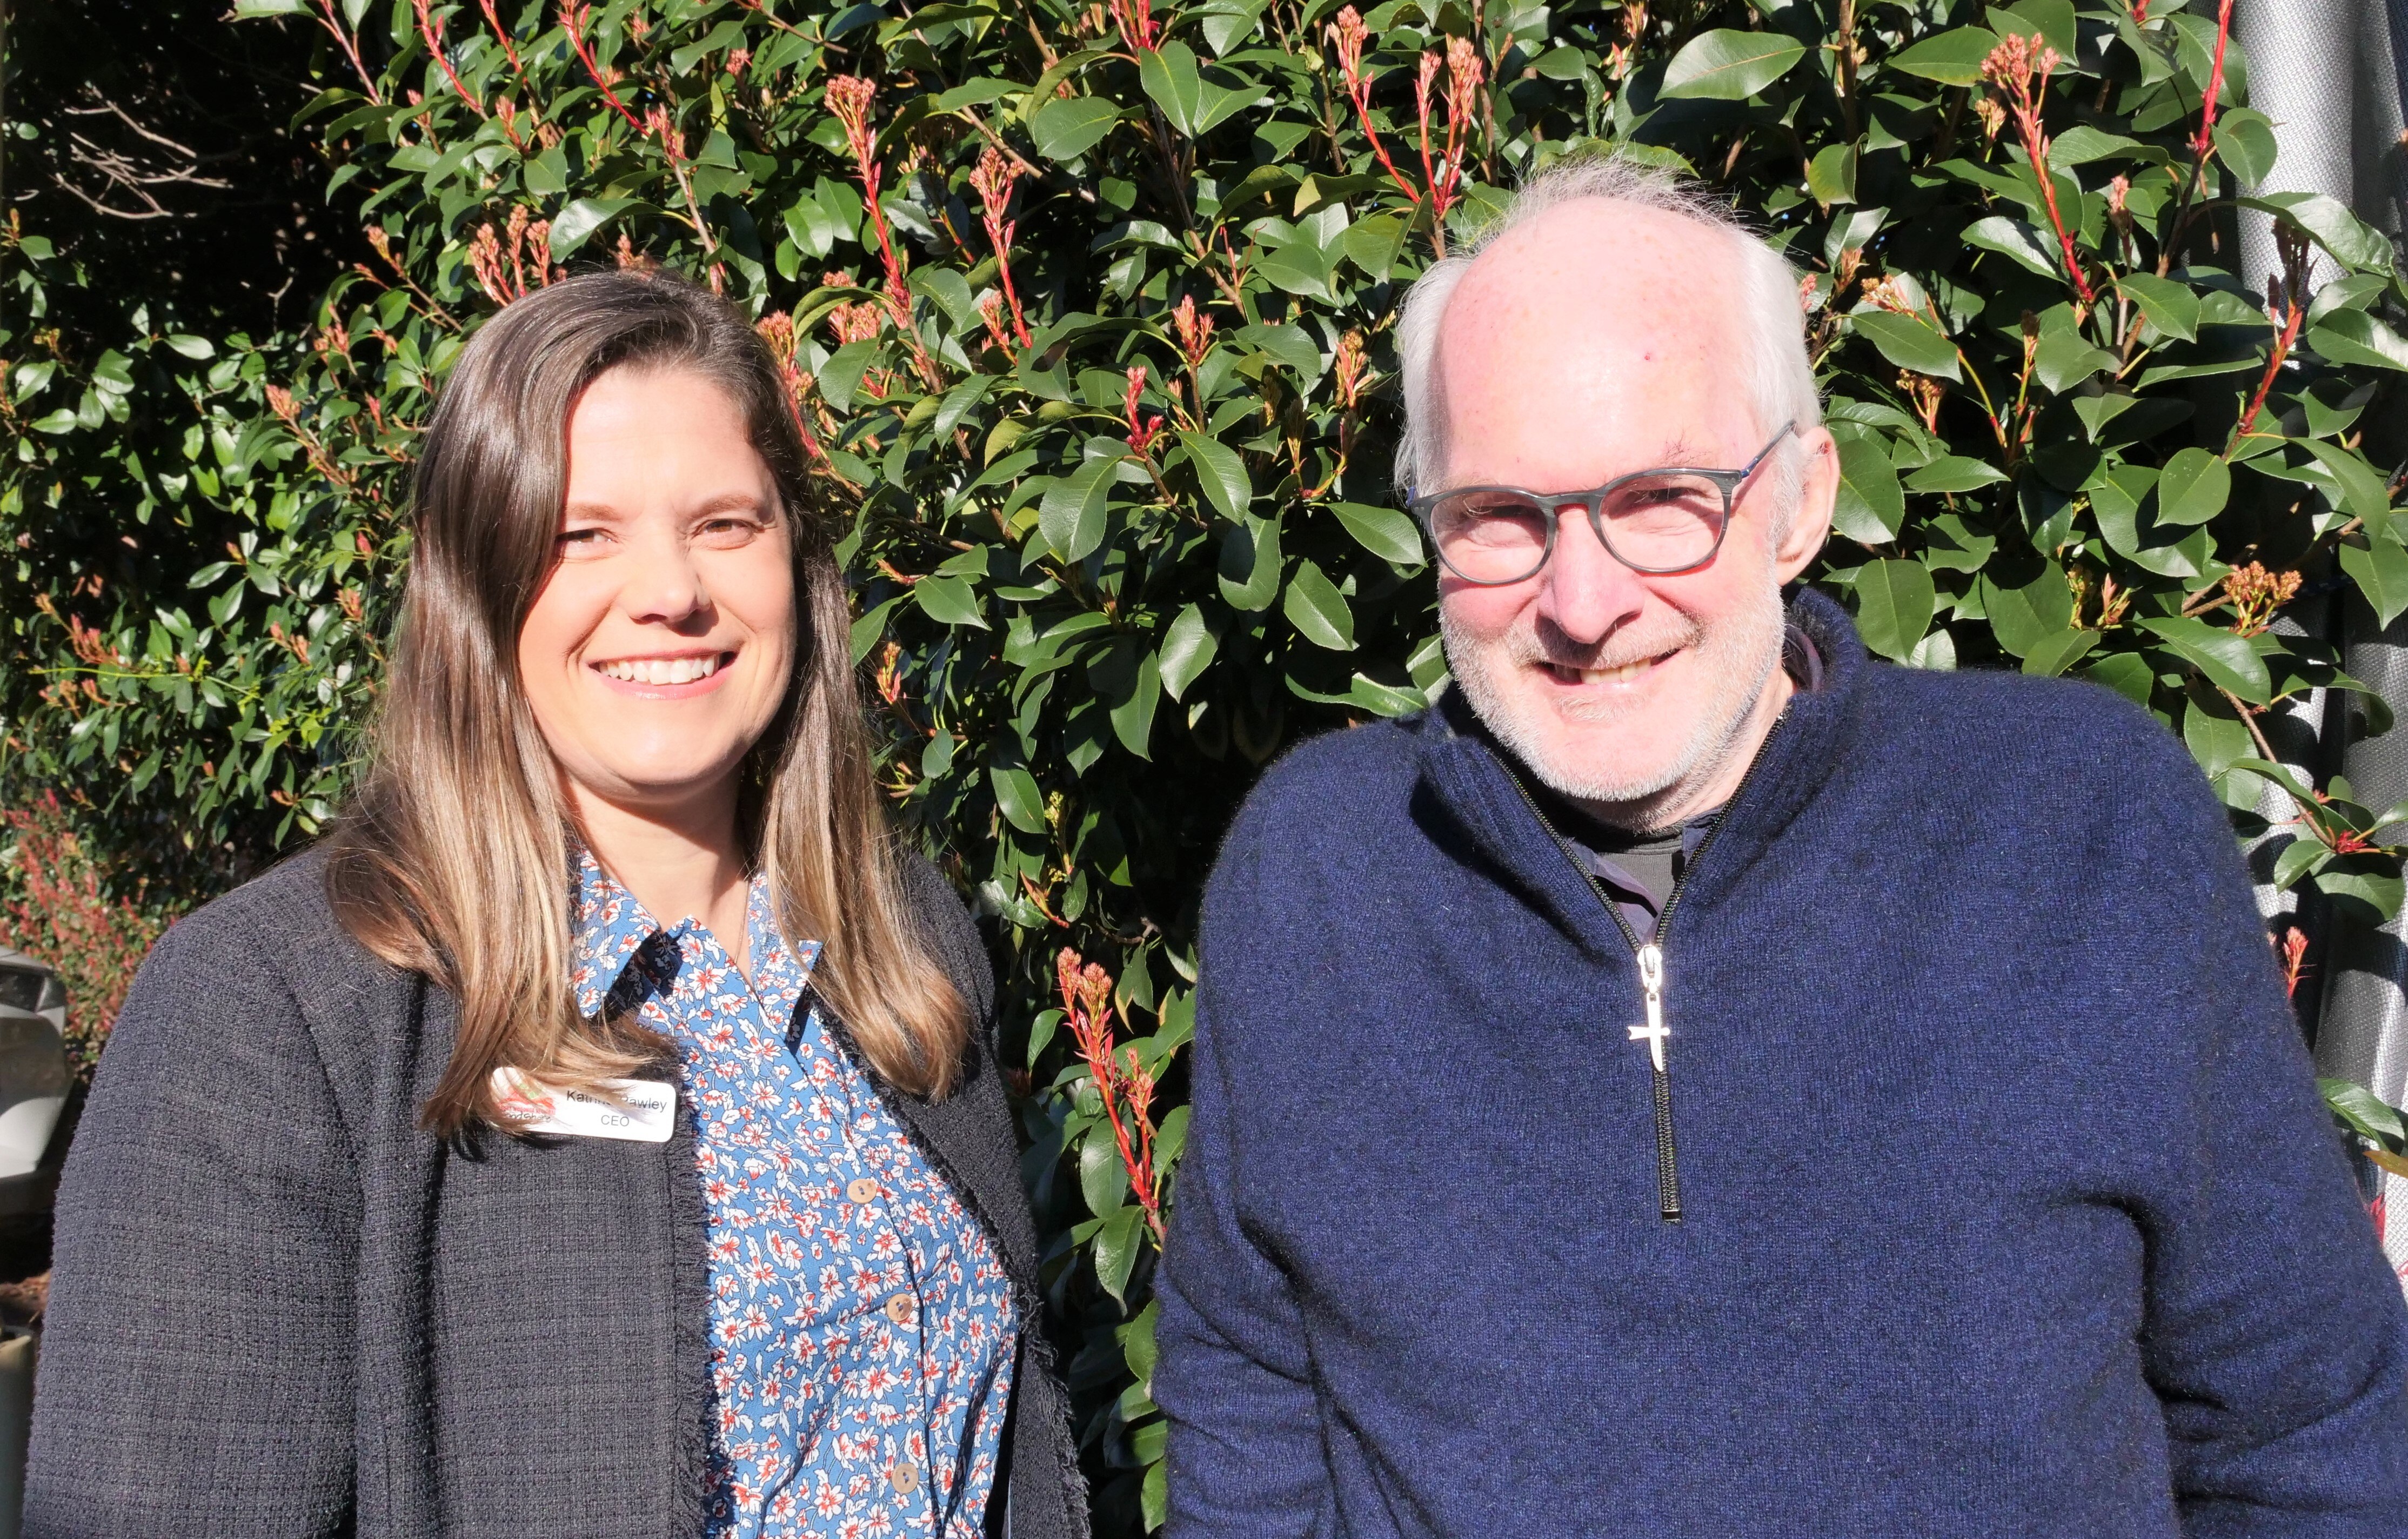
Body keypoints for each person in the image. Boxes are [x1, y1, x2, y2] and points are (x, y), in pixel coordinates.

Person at [1151, 155, 2408, 1537]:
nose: (1582, 602)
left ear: (1799, 501)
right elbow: (1249, 1424)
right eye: (1500, 517)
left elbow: (2311, 1434)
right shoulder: (1321, 877)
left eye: (1656, 499)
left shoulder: (2081, 829)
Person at [24, 271, 1086, 1539]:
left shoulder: (898, 942)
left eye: (726, 523)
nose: (671, 591)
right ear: (476, 580)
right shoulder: (274, 1016)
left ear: (796, 561)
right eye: (582, 533)